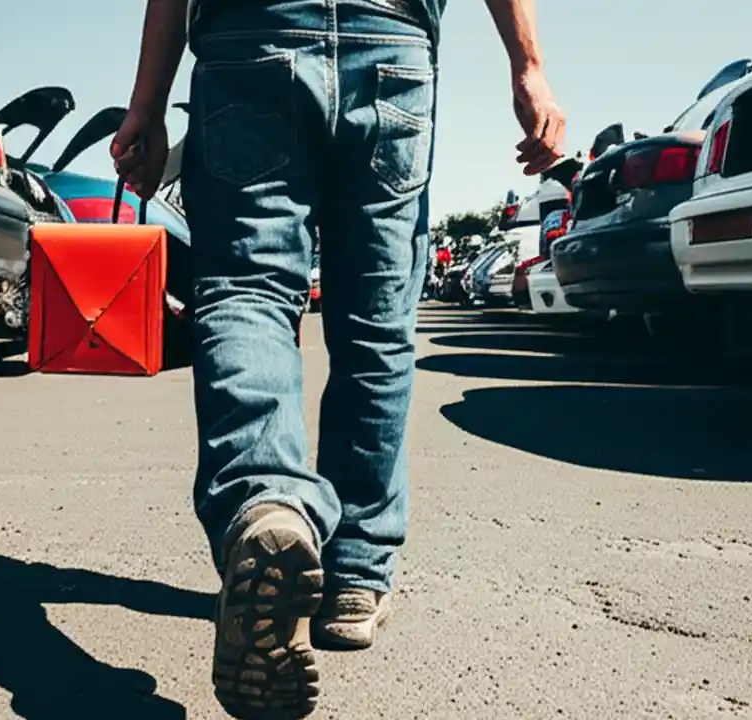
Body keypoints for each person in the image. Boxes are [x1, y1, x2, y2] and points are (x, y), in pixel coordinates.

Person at [113, 1, 565, 717]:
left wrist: (146, 101)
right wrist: (529, 68)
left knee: (246, 292)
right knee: (376, 322)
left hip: (249, 37)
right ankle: (355, 574)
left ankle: (266, 502)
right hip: (391, 44)